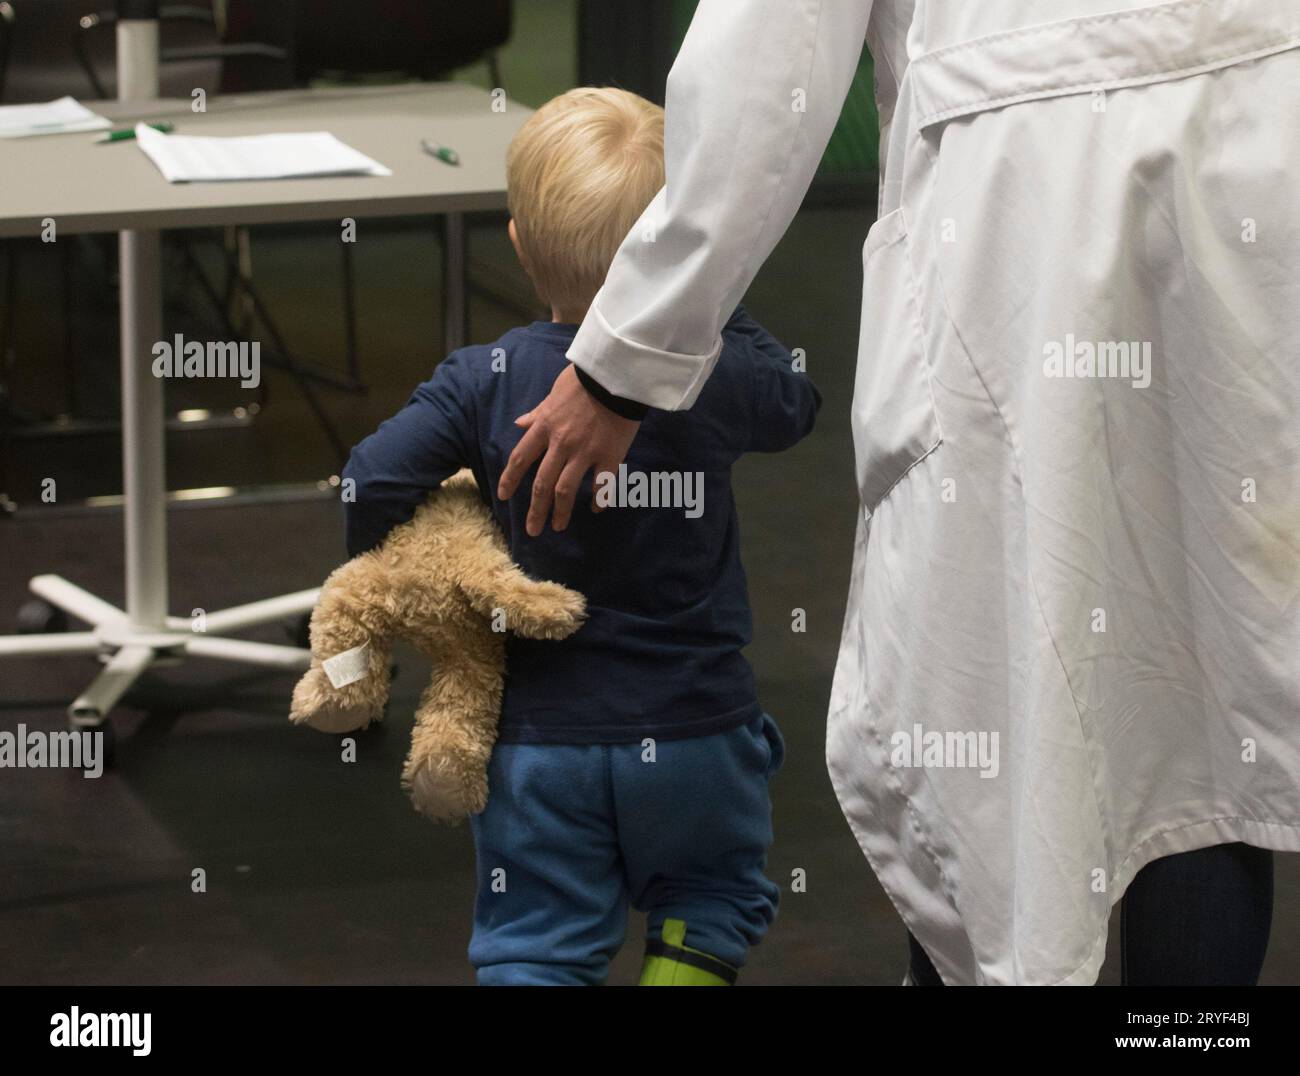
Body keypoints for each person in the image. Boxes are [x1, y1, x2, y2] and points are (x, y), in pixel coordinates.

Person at [499, 0, 1300, 985]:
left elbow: (767, 66)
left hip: (1024, 202)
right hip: (1252, 157)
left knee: (993, 712)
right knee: (1200, 724)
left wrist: (628, 355)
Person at [342, 87, 821, 985]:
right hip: (697, 734)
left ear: (519, 245)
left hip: (539, 747)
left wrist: (437, 545)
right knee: (712, 900)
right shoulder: (710, 367)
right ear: (679, 249)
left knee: (535, 944)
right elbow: (797, 405)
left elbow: (368, 480)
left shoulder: (480, 379)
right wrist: (708, 306)